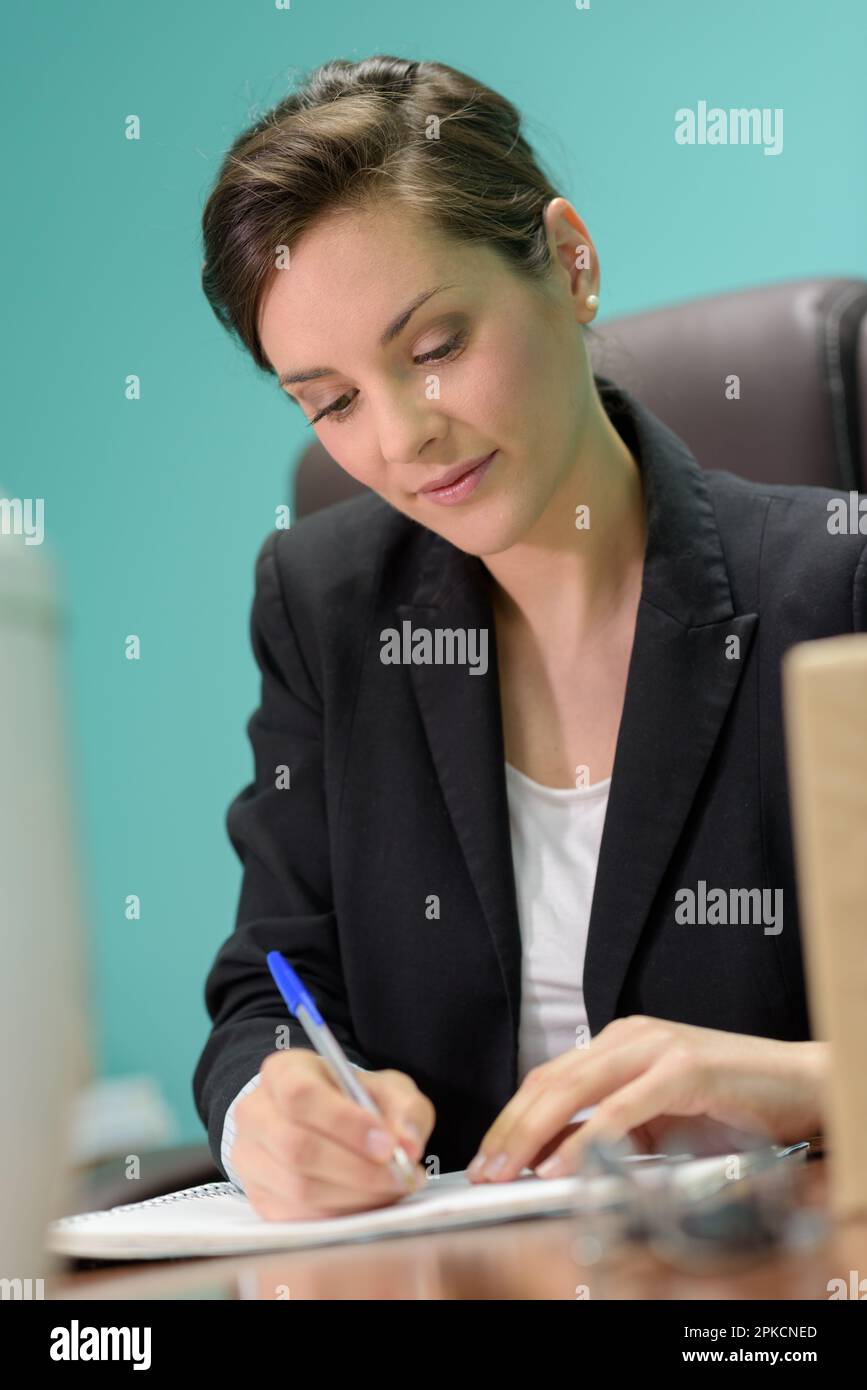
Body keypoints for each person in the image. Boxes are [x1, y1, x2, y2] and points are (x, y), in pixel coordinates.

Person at [193, 54, 861, 1222]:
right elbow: (267, 984)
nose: (403, 436)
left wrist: (816, 1083)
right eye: (332, 401)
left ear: (571, 261)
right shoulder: (323, 605)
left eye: (436, 343)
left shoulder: (834, 584)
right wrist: (269, 1106)